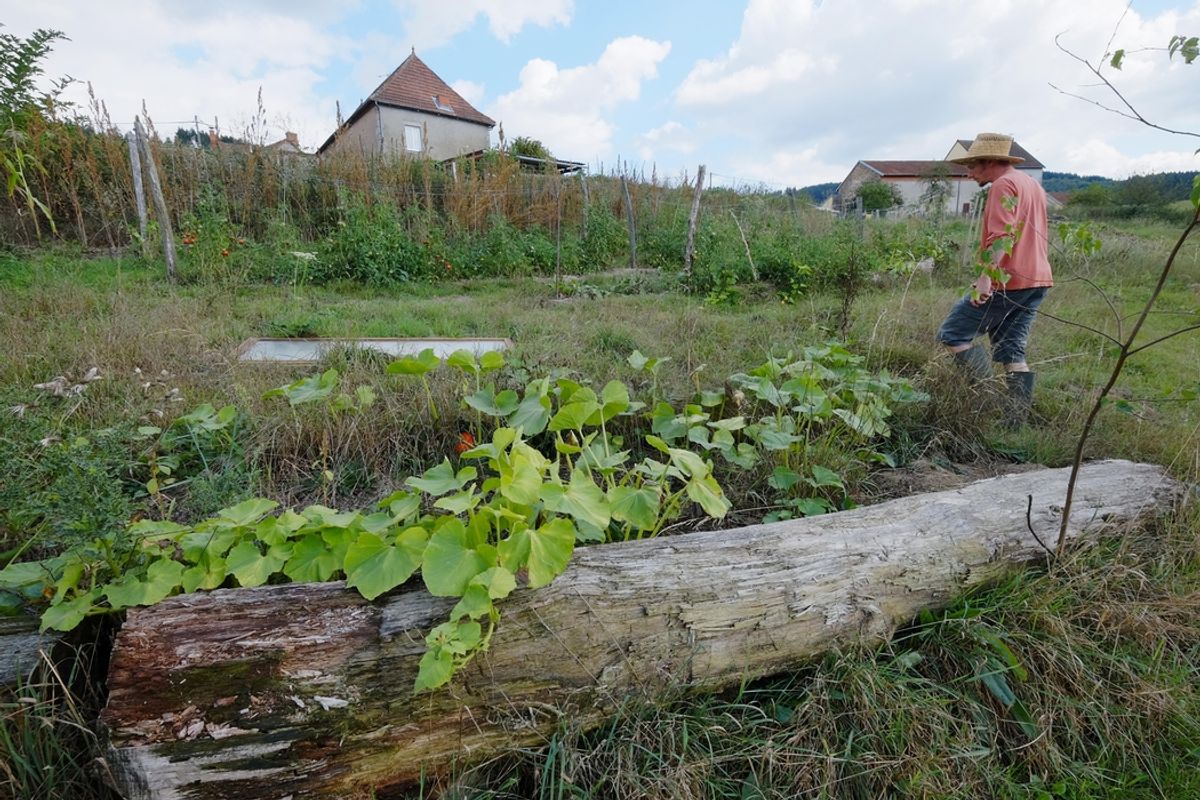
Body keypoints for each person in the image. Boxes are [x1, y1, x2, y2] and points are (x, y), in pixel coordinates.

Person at [936, 132, 1053, 426]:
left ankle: (984, 402)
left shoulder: (1003, 184)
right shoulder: (1031, 184)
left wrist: (986, 279)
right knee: (1011, 349)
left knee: (952, 334)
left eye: (972, 166)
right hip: (1037, 278)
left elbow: (1001, 236)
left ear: (989, 162)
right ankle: (1014, 423)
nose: (969, 172)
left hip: (1008, 279)